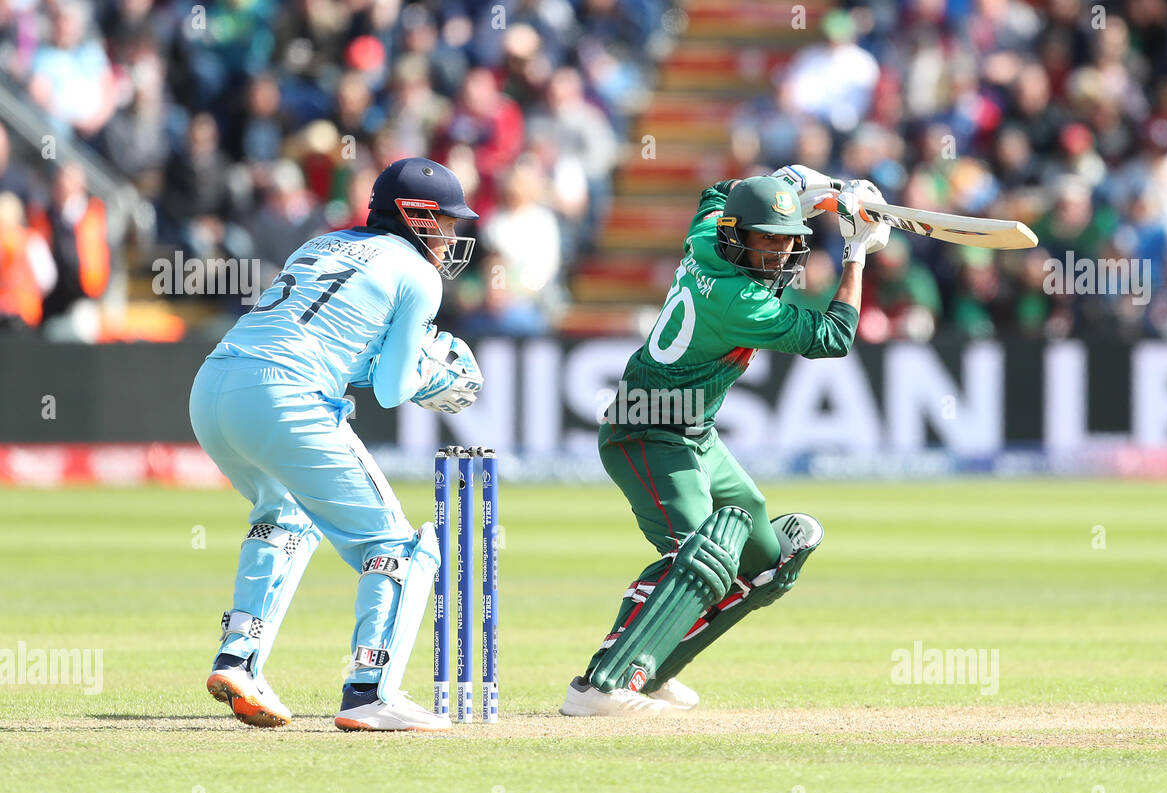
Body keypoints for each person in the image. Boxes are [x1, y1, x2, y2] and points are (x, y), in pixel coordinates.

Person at [559, 166, 889, 715]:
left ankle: (655, 668)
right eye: (768, 240)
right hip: (645, 431)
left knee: (768, 562)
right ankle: (600, 687)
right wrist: (855, 254)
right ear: (738, 236)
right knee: (698, 558)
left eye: (789, 242)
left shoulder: (706, 233)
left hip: (695, 432)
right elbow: (834, 336)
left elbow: (716, 192)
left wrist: (794, 183)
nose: (781, 255)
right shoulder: (742, 302)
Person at [189, 158, 484, 733]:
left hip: (213, 386)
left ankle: (238, 660)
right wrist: (438, 376)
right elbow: (395, 388)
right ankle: (369, 692)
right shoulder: (418, 275)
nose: (451, 237)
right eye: (445, 223)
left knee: (284, 515)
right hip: (285, 394)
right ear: (415, 216)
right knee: (395, 544)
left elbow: (331, 336)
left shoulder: (322, 244)